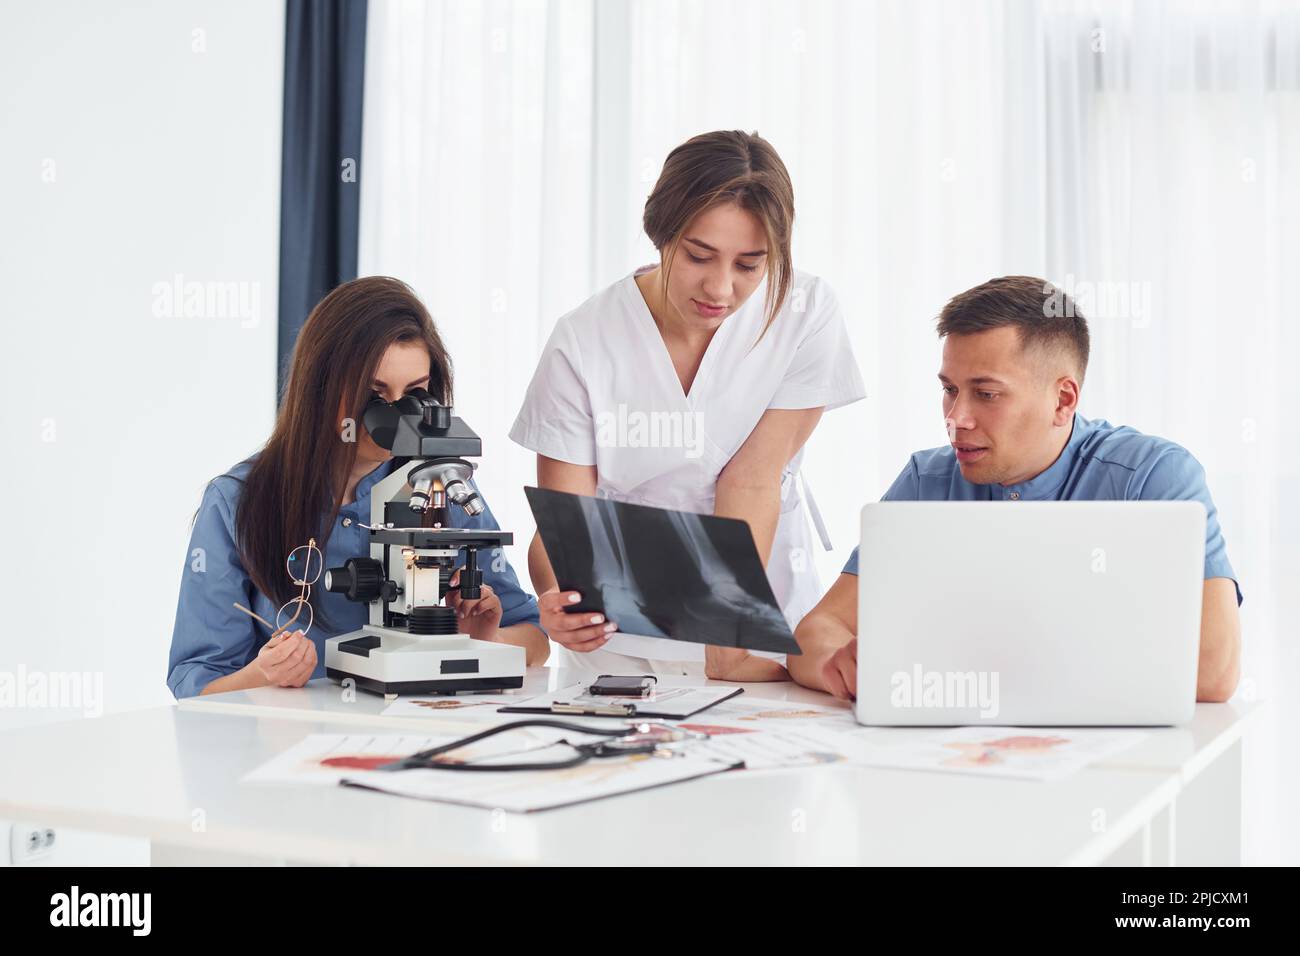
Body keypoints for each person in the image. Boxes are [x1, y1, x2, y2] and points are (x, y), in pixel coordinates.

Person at [510, 130, 866, 680]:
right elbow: (563, 524)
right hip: (616, 643)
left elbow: (750, 479)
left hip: (753, 628)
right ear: (661, 233)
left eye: (751, 265)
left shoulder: (804, 311)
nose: (721, 288)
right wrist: (558, 597)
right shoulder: (583, 340)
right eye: (700, 256)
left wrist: (728, 645)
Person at [788, 275, 1241, 703]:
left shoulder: (1154, 477)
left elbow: (1214, 670)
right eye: (950, 389)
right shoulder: (927, 481)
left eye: (986, 394)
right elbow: (815, 633)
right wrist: (840, 665)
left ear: (1063, 400)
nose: (956, 417)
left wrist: (970, 673)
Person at [167, 277, 547, 698]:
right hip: (292, 743)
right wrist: (265, 673)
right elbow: (195, 683)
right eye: (375, 394)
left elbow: (535, 637)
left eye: (414, 393)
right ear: (321, 388)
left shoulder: (437, 484)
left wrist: (479, 641)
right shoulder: (237, 501)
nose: (397, 415)